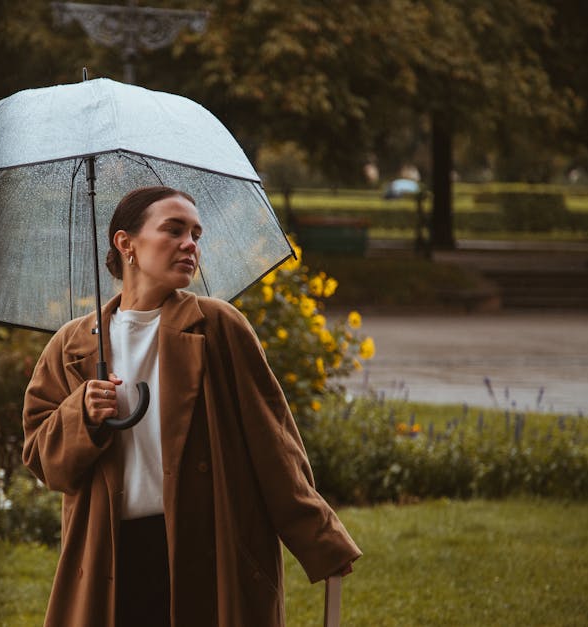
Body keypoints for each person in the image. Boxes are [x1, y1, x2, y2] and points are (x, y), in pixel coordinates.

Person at [22, 186, 361, 627]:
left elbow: (275, 447)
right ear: (126, 243)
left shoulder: (219, 327)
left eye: (196, 234)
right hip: (107, 555)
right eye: (174, 230)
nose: (190, 244)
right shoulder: (71, 345)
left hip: (206, 546)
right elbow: (43, 461)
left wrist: (321, 539)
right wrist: (80, 414)